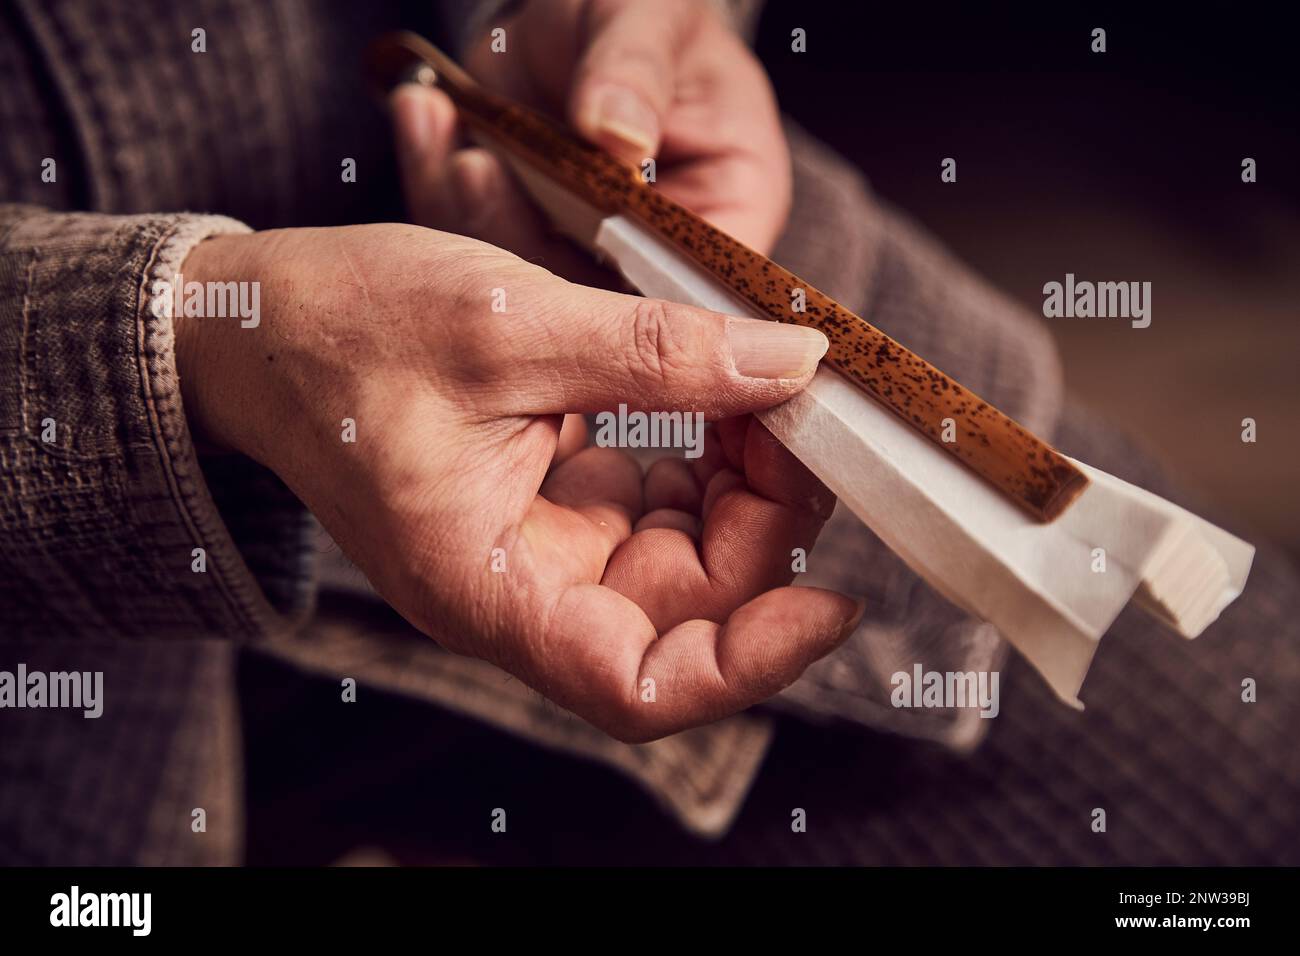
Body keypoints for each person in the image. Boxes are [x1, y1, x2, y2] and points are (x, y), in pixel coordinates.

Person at [1, 0, 1295, 865]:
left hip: (543, 257)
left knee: (1257, 762)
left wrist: (615, 18)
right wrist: (199, 346)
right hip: (64, 616)